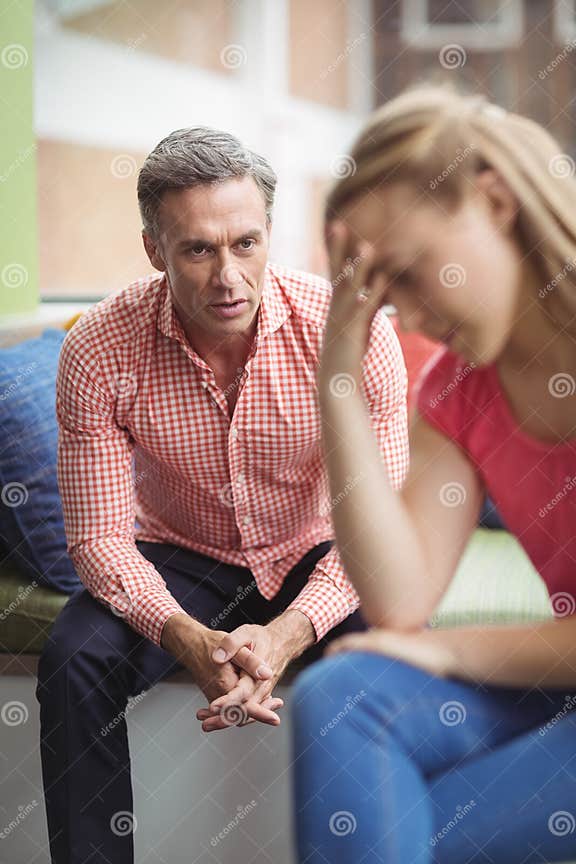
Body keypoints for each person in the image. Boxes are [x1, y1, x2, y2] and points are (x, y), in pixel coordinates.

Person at [35, 126, 409, 864]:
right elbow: (101, 540)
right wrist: (183, 634)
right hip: (185, 555)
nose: (228, 277)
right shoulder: (98, 348)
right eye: (199, 250)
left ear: (271, 233)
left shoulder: (350, 331)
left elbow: (380, 530)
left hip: (319, 552)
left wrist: (289, 632)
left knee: (394, 651)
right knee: (73, 657)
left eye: (245, 243)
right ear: (154, 250)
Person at [291, 83, 576, 863]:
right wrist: (338, 382)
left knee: (413, 835)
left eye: (411, 274)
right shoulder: (459, 391)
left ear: (493, 200)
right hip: (558, 685)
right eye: (385, 297)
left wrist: (455, 650)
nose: (407, 320)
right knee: (340, 696)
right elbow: (400, 599)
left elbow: (432, 639)